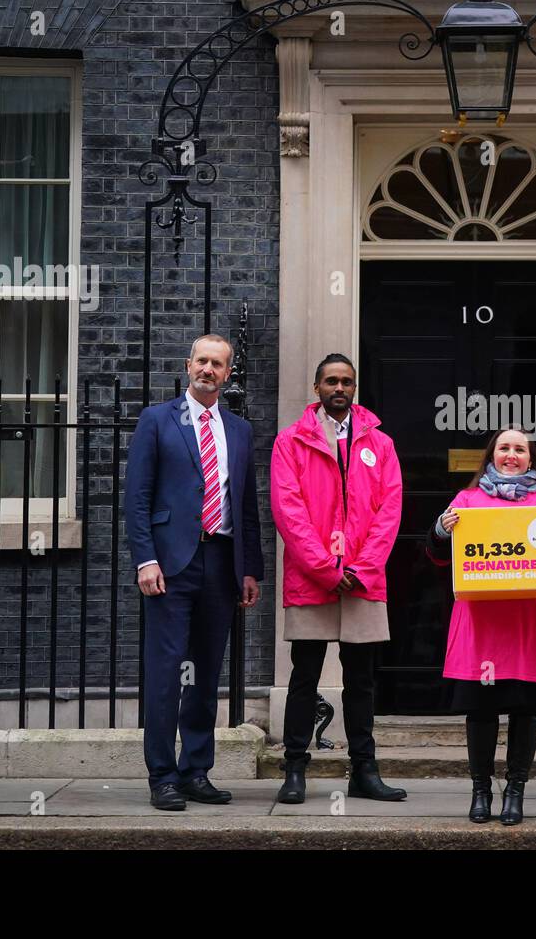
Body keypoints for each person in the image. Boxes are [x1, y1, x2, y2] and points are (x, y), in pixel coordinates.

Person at [427, 428, 536, 826]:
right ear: (492, 455)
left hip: (529, 626)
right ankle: (481, 791)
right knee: (481, 711)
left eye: (520, 449)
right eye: (504, 448)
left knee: (526, 709)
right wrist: (439, 530)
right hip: (482, 626)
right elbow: (437, 556)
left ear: (530, 459)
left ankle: (515, 792)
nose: (511, 455)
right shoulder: (467, 501)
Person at [124, 334, 263, 811]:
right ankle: (162, 775)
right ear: (188, 366)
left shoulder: (240, 431)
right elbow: (137, 498)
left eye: (218, 364)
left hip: (221, 563)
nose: (208, 369)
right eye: (202, 361)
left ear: (228, 374)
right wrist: (145, 559)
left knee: (206, 675)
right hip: (170, 564)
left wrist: (250, 570)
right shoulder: (157, 420)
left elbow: (246, 506)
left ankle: (196, 770)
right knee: (165, 674)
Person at [269, 353, 406, 804]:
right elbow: (288, 511)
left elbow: (390, 511)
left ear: (355, 387)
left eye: (346, 381)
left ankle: (364, 770)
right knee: (304, 677)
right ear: (316, 388)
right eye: (331, 381)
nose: (339, 388)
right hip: (313, 578)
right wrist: (327, 568)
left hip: (363, 579)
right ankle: (294, 769)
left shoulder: (380, 444)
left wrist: (361, 568)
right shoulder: (290, 442)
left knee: (362, 680)